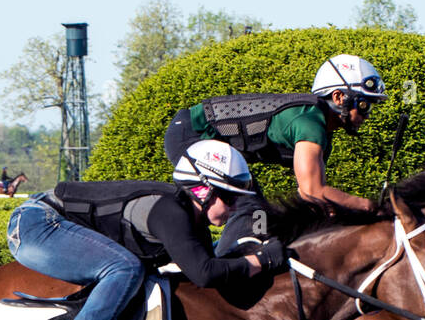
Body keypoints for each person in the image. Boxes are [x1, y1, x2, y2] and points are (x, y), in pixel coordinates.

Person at [6, 140, 287, 320]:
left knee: (133, 270)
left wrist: (252, 253)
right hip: (37, 224)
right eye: (230, 197)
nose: (236, 206)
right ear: (203, 190)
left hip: (50, 222)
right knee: (125, 268)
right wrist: (262, 260)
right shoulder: (170, 213)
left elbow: (210, 267)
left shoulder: (194, 223)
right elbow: (204, 275)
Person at [163, 54, 387, 257]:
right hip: (191, 134)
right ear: (339, 97)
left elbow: (313, 200)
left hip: (204, 139)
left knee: (261, 219)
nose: (367, 114)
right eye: (364, 104)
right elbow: (313, 191)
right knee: (252, 210)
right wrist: (369, 207)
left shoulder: (322, 133)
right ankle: (222, 273)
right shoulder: (309, 123)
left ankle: (223, 255)